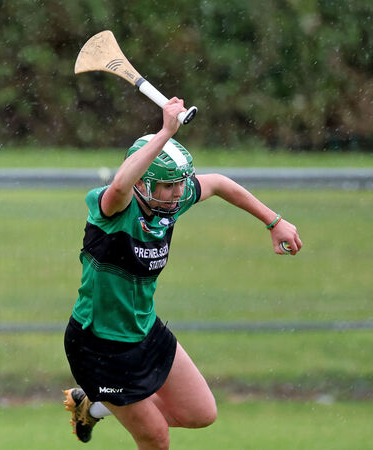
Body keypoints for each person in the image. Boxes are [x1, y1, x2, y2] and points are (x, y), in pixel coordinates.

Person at [62, 99, 302, 449]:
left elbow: (218, 184)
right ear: (143, 183)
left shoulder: (170, 203)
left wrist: (273, 221)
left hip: (144, 330)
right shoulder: (113, 209)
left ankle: (93, 405)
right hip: (99, 345)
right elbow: (120, 185)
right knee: (156, 437)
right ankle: (107, 399)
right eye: (168, 185)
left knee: (201, 413)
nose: (179, 193)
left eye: (180, 184)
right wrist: (165, 132)